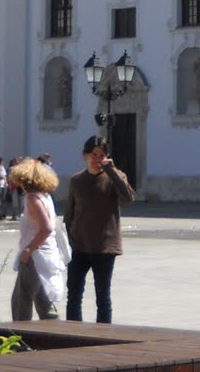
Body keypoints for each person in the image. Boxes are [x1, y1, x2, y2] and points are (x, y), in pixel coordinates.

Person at [63, 135, 136, 324]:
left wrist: (111, 170)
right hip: (78, 247)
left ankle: (102, 337)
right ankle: (72, 335)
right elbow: (69, 214)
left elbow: (129, 198)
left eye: (102, 155)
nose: (97, 159)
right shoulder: (76, 180)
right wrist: (69, 240)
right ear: (85, 155)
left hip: (104, 247)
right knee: (74, 295)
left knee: (102, 298)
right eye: (94, 154)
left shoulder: (113, 177)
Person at [9, 157, 65, 321]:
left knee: (21, 302)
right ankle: (56, 335)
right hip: (47, 255)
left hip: (36, 256)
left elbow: (46, 228)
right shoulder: (45, 196)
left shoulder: (32, 199)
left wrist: (28, 249)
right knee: (43, 302)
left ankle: (20, 340)